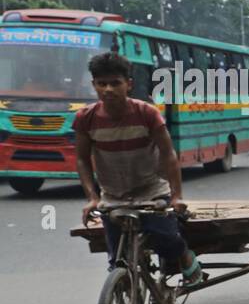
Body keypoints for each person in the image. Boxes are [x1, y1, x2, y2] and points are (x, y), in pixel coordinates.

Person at [74, 52, 203, 285]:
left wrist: (176, 197)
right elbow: (82, 159)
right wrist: (92, 198)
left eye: (115, 83)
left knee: (167, 240)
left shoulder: (147, 113)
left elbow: (168, 154)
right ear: (94, 85)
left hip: (151, 191)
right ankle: (124, 293)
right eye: (102, 84)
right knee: (117, 259)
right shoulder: (85, 118)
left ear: (128, 85)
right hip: (113, 195)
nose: (108, 90)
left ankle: (185, 257)